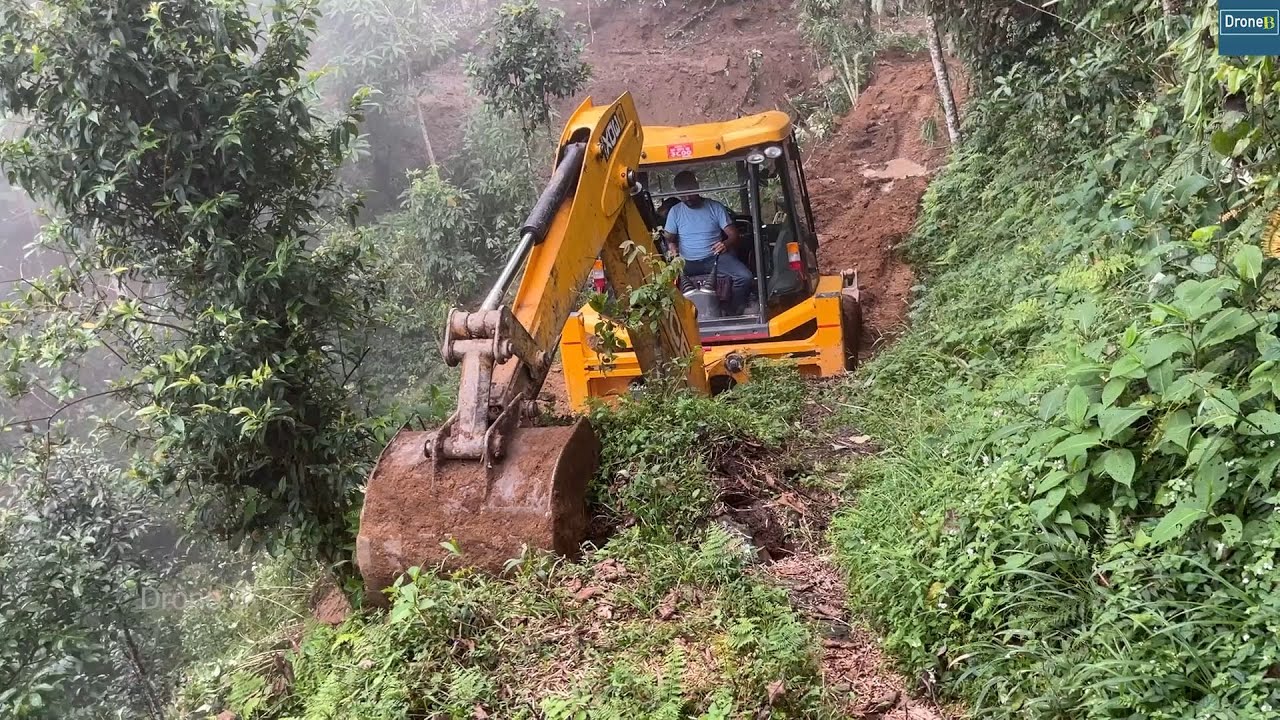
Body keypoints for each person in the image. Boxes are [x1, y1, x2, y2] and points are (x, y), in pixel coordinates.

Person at [662, 171, 753, 315]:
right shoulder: (675, 212)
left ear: (697, 187)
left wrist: (725, 244)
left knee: (744, 277)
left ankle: (734, 312)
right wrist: (672, 249)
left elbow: (733, 235)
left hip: (715, 258)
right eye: (682, 194)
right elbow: (669, 238)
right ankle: (682, 319)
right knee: (661, 286)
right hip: (686, 262)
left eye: (690, 192)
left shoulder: (714, 207)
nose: (687, 198)